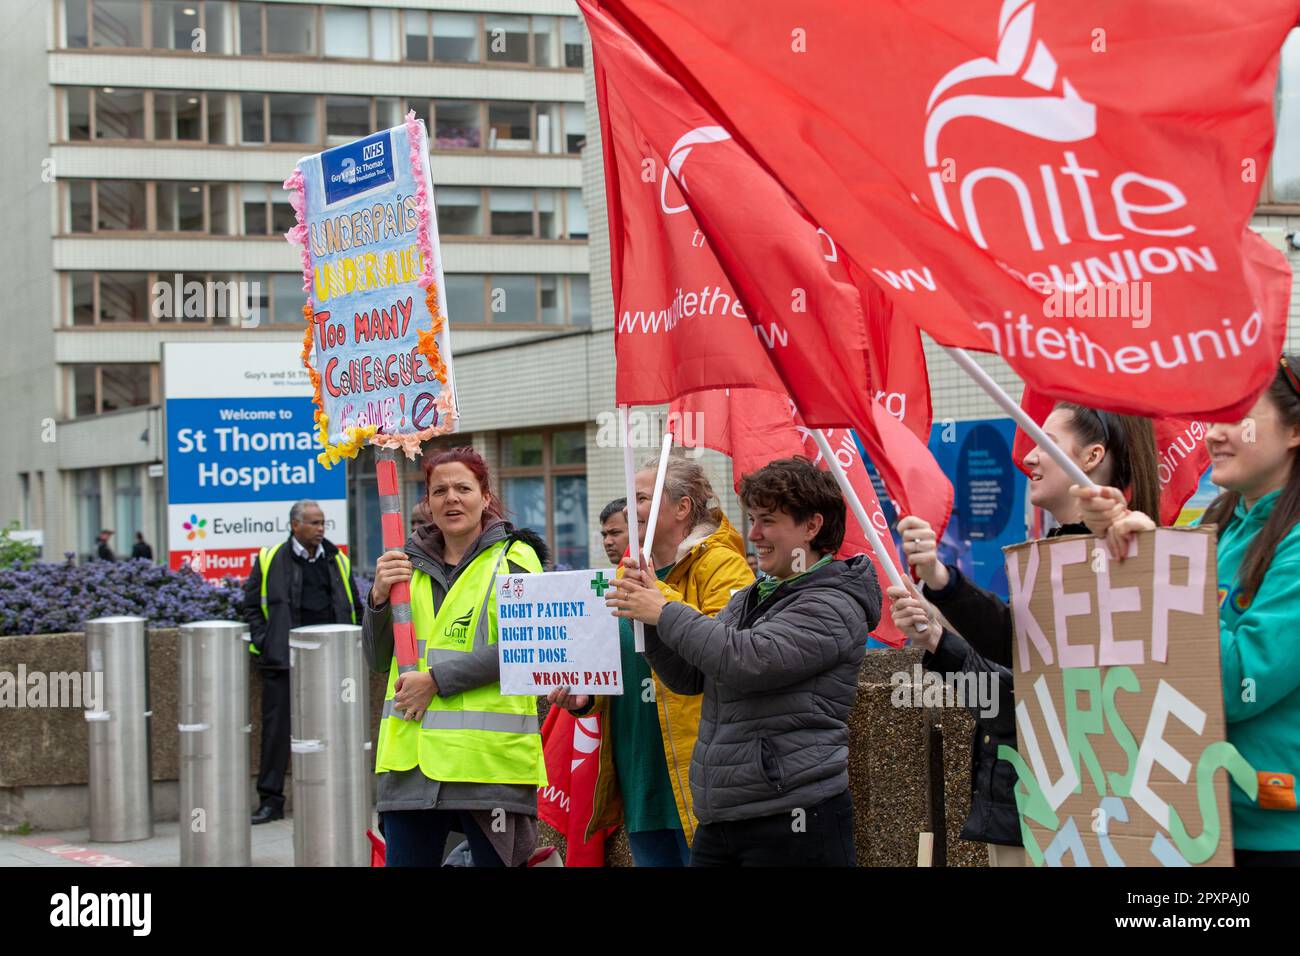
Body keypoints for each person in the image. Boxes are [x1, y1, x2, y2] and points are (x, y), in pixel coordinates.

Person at [893, 403, 1160, 866]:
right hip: (1033, 797)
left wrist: (943, 587)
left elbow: (1022, 665)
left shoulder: (1124, 560)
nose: (1028, 458)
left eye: (1044, 442)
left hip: (1081, 808)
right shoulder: (1055, 556)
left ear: (1092, 456)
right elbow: (1020, 657)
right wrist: (939, 613)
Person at [1072, 355, 1300, 867]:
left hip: (1275, 833)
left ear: (1295, 432)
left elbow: (1238, 682)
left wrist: (1158, 567)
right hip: (1196, 821)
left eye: (1235, 416)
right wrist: (1116, 538)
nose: (1213, 434)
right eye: (1210, 417)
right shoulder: (1220, 533)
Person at [605, 457, 876, 866]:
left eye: (767, 521)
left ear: (812, 526)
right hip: (725, 812)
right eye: (752, 519)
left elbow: (746, 659)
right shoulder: (756, 595)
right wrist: (649, 624)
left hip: (792, 813)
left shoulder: (832, 602)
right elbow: (691, 675)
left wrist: (663, 611)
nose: (754, 535)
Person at [550, 457, 753, 867]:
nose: (628, 509)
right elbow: (623, 662)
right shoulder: (626, 572)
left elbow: (729, 650)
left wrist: (659, 601)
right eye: (629, 498)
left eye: (641, 497)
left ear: (682, 508)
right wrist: (587, 698)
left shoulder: (721, 565)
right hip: (640, 770)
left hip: (698, 770)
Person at [364, 446, 550, 867]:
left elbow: (524, 648)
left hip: (488, 768)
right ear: (427, 503)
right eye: (440, 490)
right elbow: (377, 659)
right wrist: (377, 598)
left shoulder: (516, 559)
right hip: (410, 765)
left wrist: (436, 680)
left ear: (485, 497)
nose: (451, 498)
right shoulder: (403, 565)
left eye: (463, 488)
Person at [240, 499, 362, 824]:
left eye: (323, 523)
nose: (321, 528)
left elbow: (354, 603)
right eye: (314, 523)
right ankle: (271, 801)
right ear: (295, 525)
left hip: (330, 660)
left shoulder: (337, 560)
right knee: (276, 733)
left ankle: (336, 796)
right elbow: (251, 605)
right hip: (284, 660)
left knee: (336, 731)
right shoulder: (270, 559)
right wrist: (266, 642)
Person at [599, 497, 629, 566]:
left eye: (615, 533)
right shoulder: (621, 573)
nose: (607, 542)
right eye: (604, 535)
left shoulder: (653, 574)